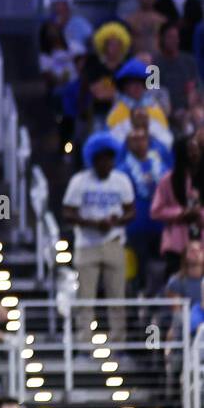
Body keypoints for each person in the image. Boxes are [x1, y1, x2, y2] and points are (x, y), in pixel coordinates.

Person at [61, 132, 135, 341]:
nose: (107, 164)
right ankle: (84, 342)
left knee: (117, 297)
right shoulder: (80, 181)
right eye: (102, 159)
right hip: (87, 243)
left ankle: (118, 344)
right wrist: (93, 223)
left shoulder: (121, 181)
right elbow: (67, 212)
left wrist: (116, 221)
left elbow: (131, 211)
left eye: (110, 159)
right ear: (93, 160)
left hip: (114, 242)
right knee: (86, 297)